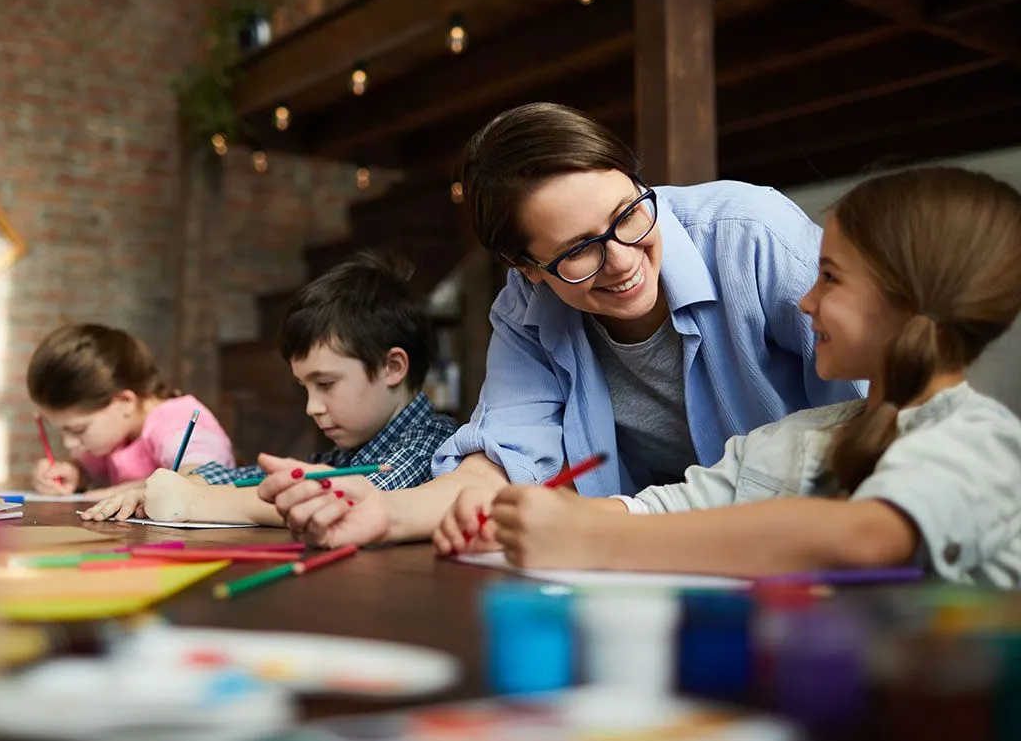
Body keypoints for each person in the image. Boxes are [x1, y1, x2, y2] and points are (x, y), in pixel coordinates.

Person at [258, 102, 866, 549]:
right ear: (526, 270)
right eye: (579, 250)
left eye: (628, 213)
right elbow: (501, 462)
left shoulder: (754, 239)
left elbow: (896, 399)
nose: (624, 259)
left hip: (822, 534)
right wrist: (385, 513)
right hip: (658, 549)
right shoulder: (526, 311)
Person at [485, 167, 1021, 587]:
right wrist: (538, 516)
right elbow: (659, 508)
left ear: (906, 297)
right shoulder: (793, 438)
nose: (806, 301)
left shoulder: (980, 440)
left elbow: (863, 537)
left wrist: (595, 539)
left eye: (829, 277)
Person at [80, 253, 459, 526]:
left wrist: (196, 500)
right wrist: (181, 483)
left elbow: (348, 501)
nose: (312, 407)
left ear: (393, 367)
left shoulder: (432, 444)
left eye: (326, 384)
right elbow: (256, 479)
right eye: (305, 388)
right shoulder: (353, 452)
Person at [27, 323, 233, 497]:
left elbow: (202, 476)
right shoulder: (114, 434)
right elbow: (90, 470)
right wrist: (73, 473)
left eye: (78, 430)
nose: (69, 443)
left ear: (125, 401)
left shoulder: (176, 420)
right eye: (62, 430)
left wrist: (115, 493)